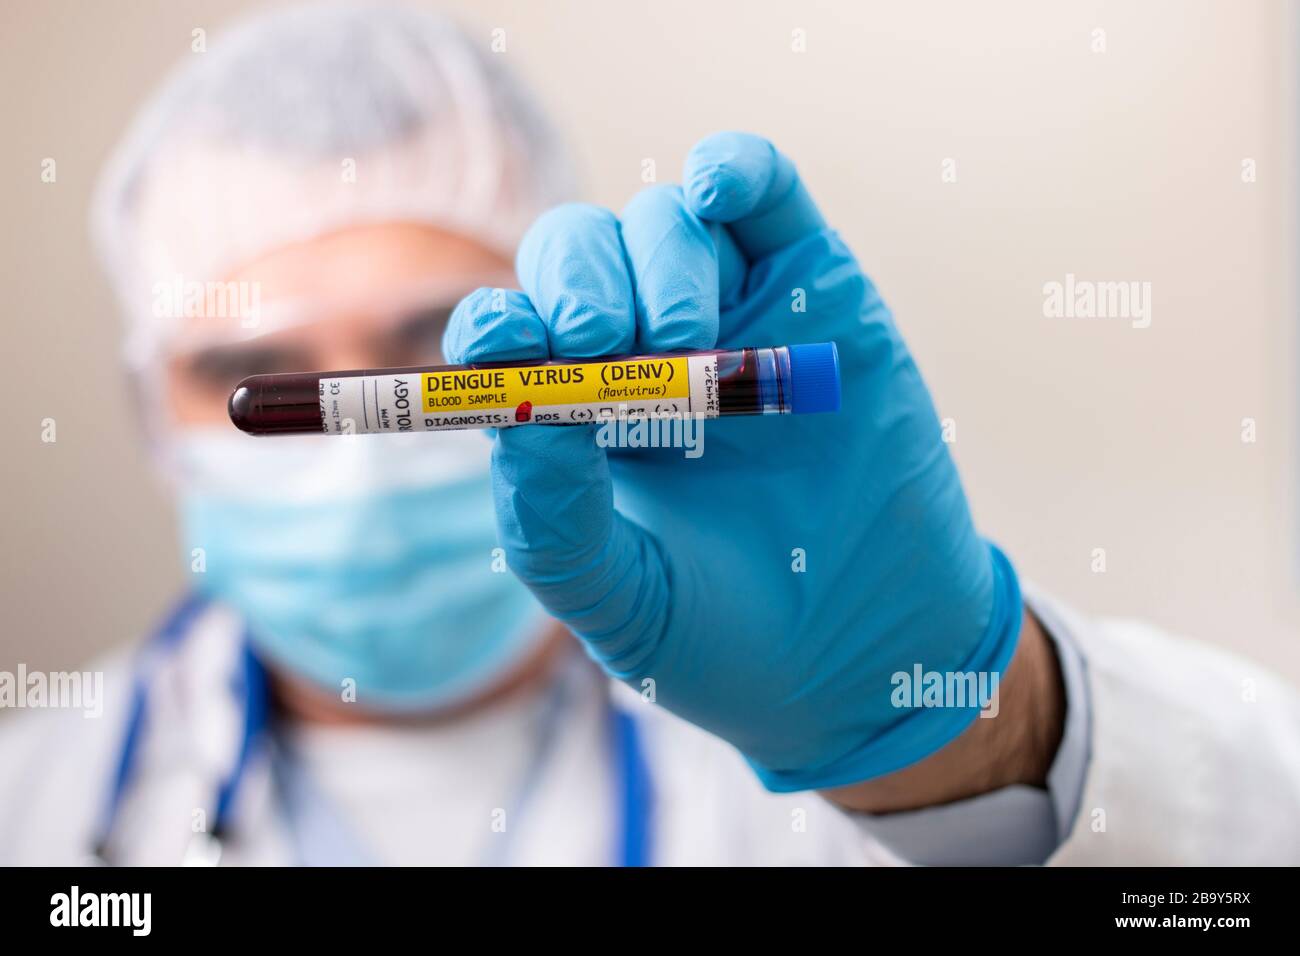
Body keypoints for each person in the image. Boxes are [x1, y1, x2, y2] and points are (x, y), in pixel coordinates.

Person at [1, 1, 1297, 866]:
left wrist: (979, 727)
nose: (362, 444)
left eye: (438, 344)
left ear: (565, 353)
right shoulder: (37, 805)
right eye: (253, 372)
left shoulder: (795, 765)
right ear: (152, 417)